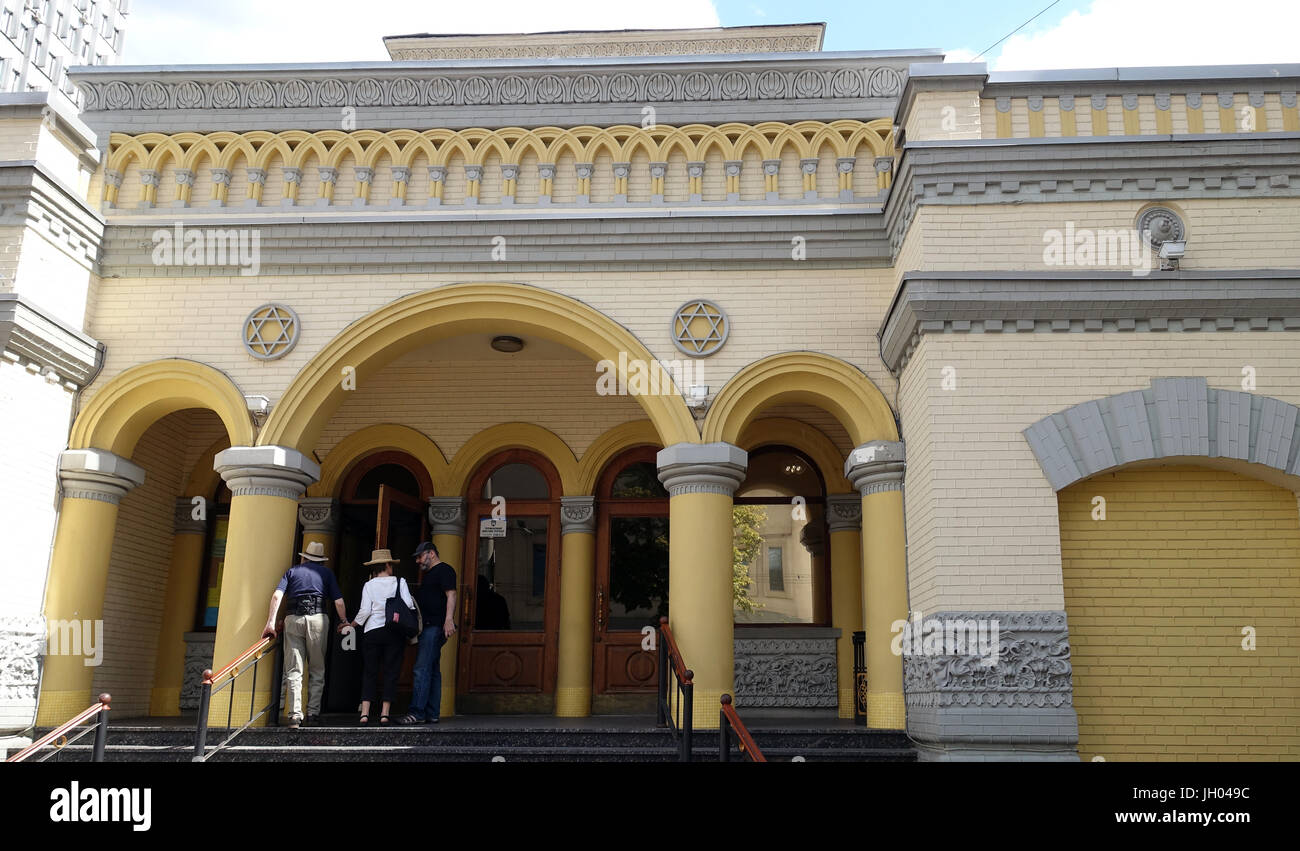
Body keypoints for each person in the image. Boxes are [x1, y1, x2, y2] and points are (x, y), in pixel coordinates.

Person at [262, 540, 346, 729]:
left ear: (304, 558)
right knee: (317, 669)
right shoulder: (327, 574)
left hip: (293, 619)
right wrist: (344, 621)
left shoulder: (292, 572)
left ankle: (294, 716)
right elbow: (338, 602)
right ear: (321, 560)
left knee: (294, 670)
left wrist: (271, 623)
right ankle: (313, 714)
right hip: (318, 620)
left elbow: (277, 596)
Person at [344, 549, 415, 725]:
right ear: (389, 565)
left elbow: (365, 611)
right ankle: (384, 714)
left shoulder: (369, 585)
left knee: (370, 671)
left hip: (372, 631)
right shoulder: (400, 582)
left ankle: (365, 713)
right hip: (393, 632)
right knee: (391, 671)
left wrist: (351, 624)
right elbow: (409, 604)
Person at [397, 541, 457, 725]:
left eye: (420, 556)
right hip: (429, 627)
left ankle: (417, 712)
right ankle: (432, 713)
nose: (418, 561)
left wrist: (448, 620)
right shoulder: (431, 574)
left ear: (431, 553)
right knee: (432, 670)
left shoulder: (444, 570)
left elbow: (451, 595)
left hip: (434, 627)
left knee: (422, 669)